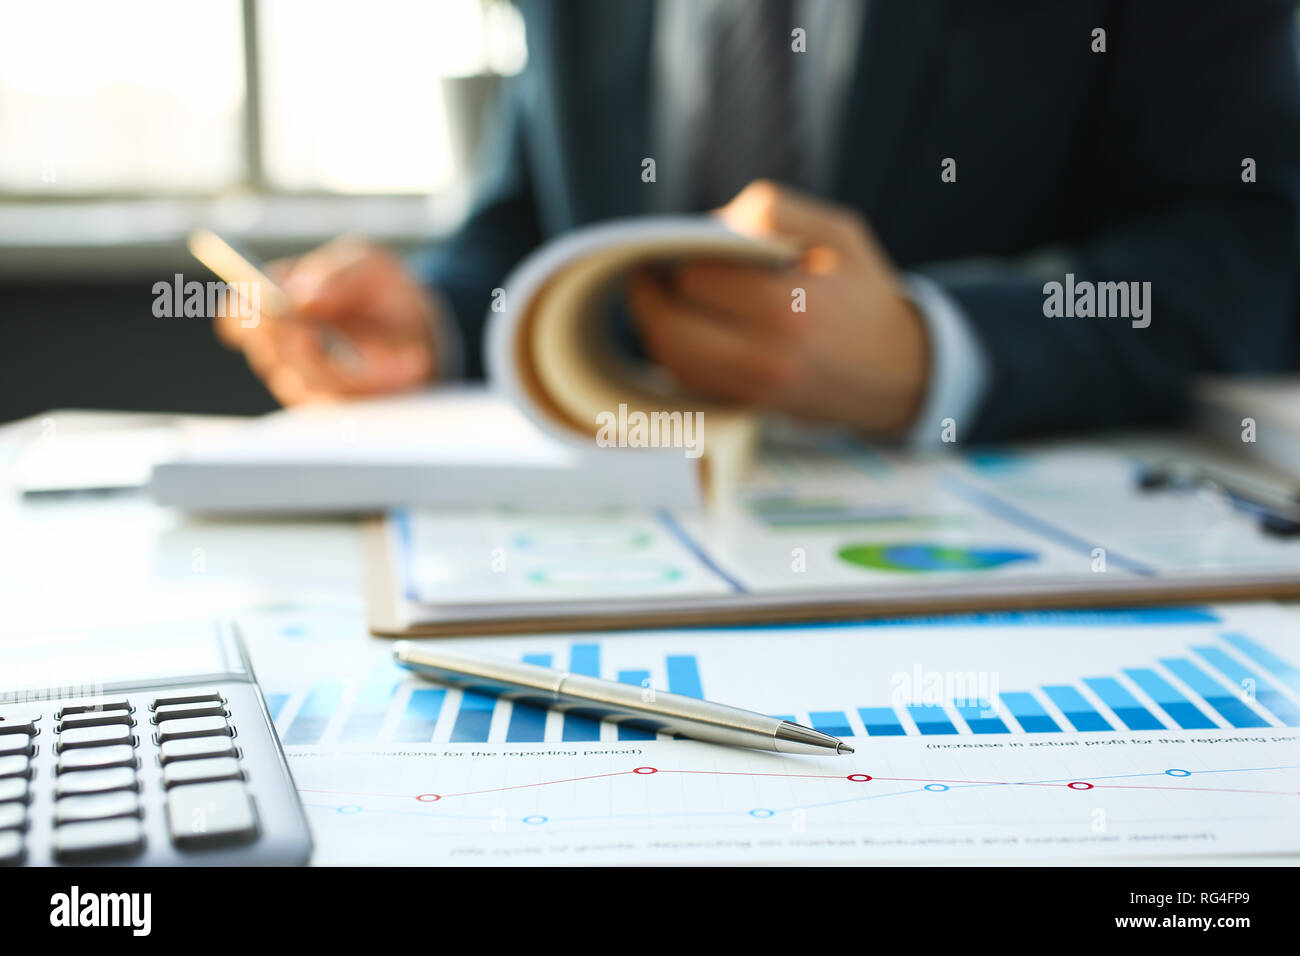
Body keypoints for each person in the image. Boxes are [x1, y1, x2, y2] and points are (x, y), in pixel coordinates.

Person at [216, 0, 1300, 443]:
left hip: (1014, 546)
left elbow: (1247, 242)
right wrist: (437, 317)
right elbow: (528, 223)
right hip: (619, 525)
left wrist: (938, 347)